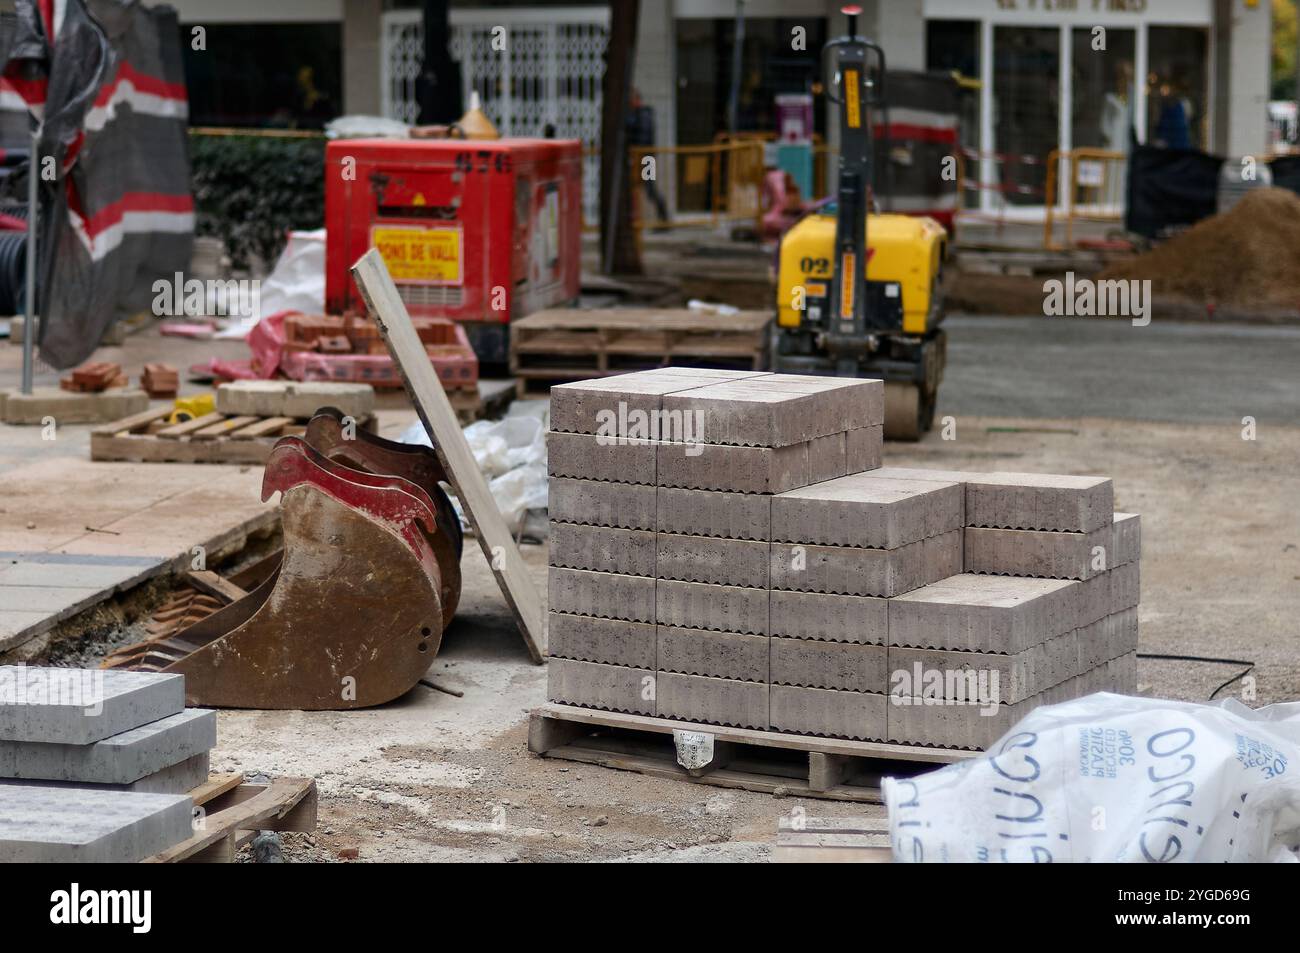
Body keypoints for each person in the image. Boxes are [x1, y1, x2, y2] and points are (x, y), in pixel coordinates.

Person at [627, 89, 670, 222]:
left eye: (632, 100)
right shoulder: (635, 115)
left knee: (650, 188)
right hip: (639, 158)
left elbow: (642, 137)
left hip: (646, 159)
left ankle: (664, 217)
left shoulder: (643, 115)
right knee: (633, 188)